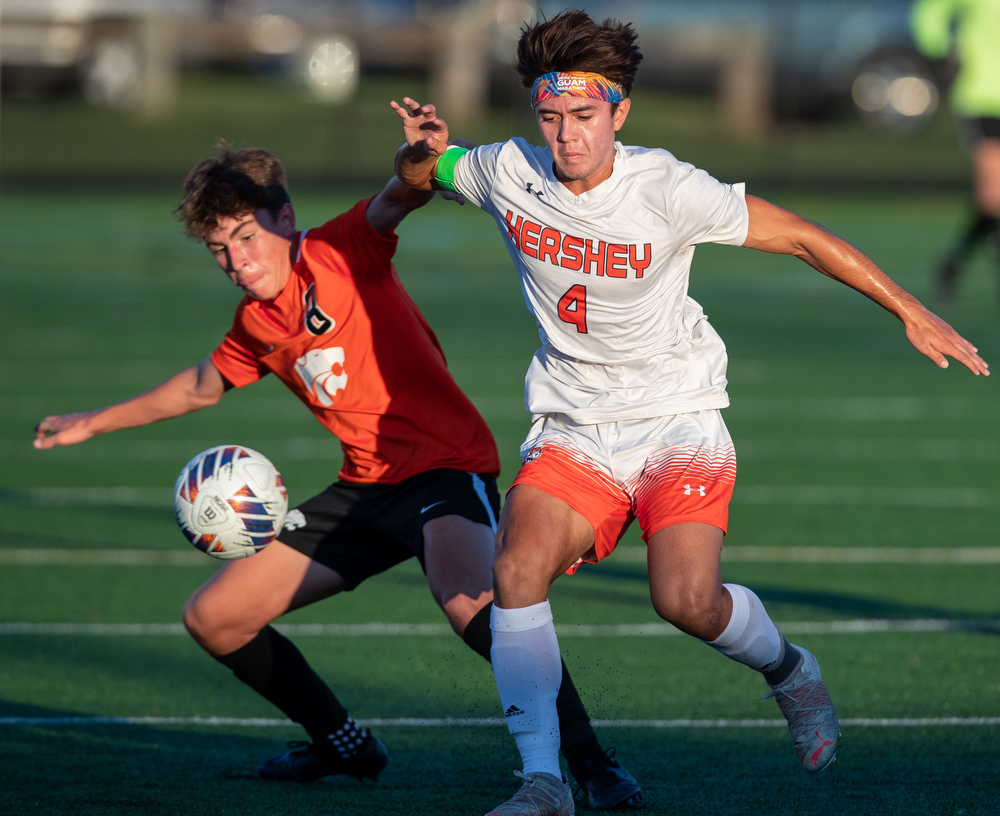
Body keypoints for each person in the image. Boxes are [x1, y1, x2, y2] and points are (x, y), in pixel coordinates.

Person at [392, 10, 990, 816]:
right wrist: (423, 149)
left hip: (678, 418)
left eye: (584, 117)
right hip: (575, 427)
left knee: (685, 602)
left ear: (620, 112)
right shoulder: (505, 170)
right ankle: (543, 779)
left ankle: (789, 670)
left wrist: (908, 309)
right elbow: (430, 169)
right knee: (515, 570)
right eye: (551, 117)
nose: (567, 136)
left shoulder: (670, 188)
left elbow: (804, 238)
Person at [32, 143, 644, 809]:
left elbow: (398, 196)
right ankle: (341, 743)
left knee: (472, 606)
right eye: (219, 248)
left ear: (285, 218)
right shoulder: (257, 322)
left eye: (246, 235)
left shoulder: (342, 249)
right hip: (363, 491)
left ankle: (591, 763)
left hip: (443, 469)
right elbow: (201, 388)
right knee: (215, 617)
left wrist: (421, 157)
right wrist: (93, 421)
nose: (237, 260)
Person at [911, 0, 1000, 299]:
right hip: (983, 96)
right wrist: (938, 51)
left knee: (990, 200)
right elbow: (929, 12)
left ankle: (954, 262)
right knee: (993, 193)